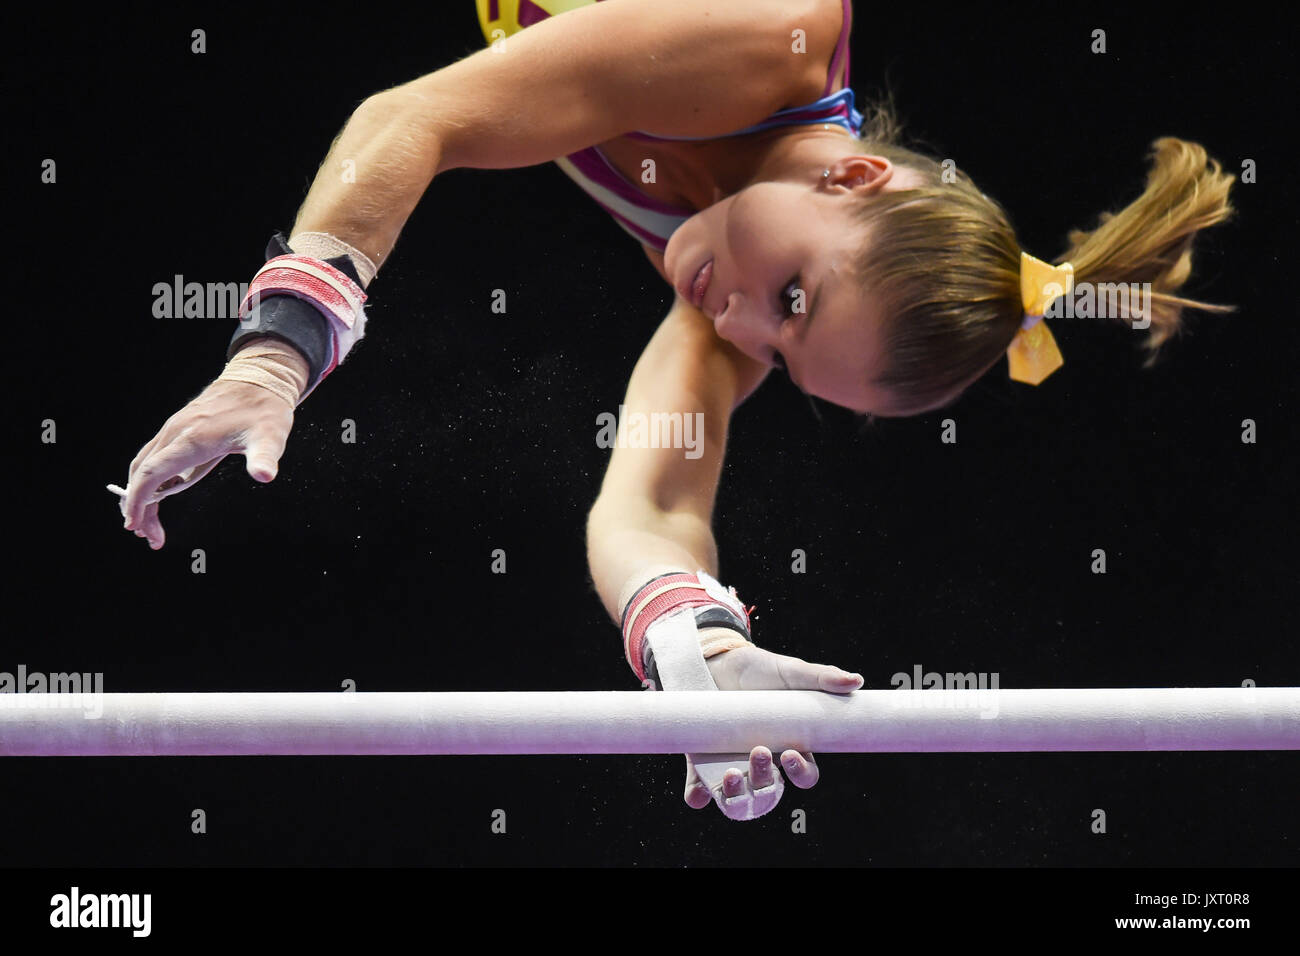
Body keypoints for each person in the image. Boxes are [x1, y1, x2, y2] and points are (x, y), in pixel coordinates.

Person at [115, 0, 1236, 820]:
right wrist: (275, 355)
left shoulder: (732, 274)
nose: (739, 327)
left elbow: (645, 504)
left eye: (781, 357)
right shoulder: (767, 37)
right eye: (795, 297)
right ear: (852, 181)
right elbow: (420, 117)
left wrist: (696, 640)